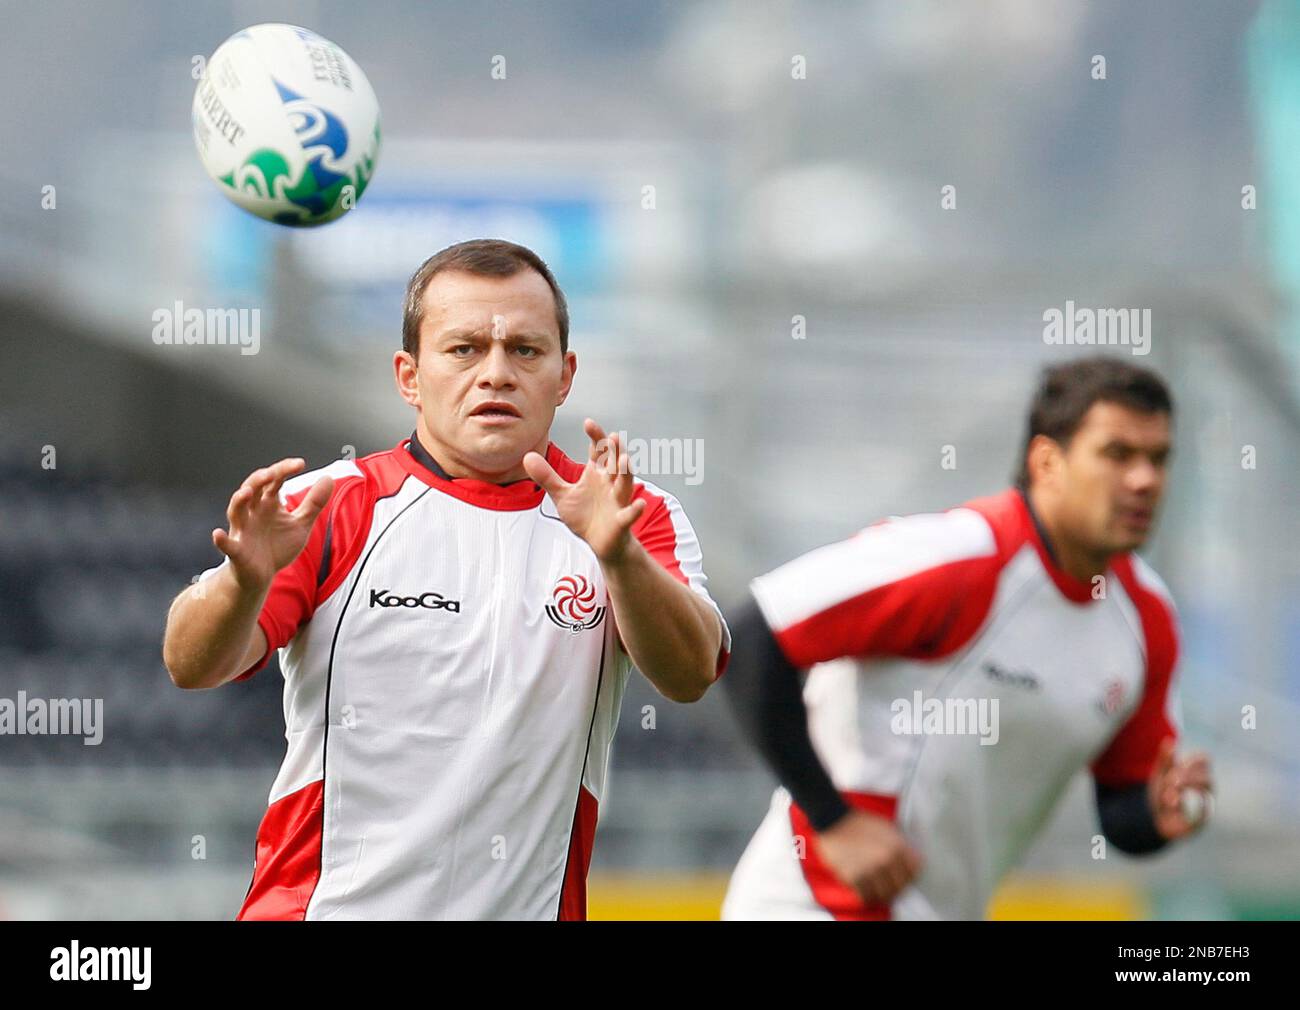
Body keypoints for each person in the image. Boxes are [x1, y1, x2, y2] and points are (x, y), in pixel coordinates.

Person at [162, 239, 729, 920]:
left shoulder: (630, 513)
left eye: (525, 349)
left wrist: (619, 557)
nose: (496, 373)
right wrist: (241, 583)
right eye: (464, 349)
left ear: (565, 373)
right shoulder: (329, 504)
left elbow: (691, 675)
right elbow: (190, 664)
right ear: (409, 375)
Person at [721, 356, 1212, 920]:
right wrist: (834, 822)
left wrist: (1160, 812)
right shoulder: (959, 560)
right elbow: (753, 637)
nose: (1145, 480)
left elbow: (1122, 808)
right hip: (811, 905)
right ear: (1047, 462)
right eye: (1117, 454)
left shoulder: (1148, 619)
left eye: (1158, 458)